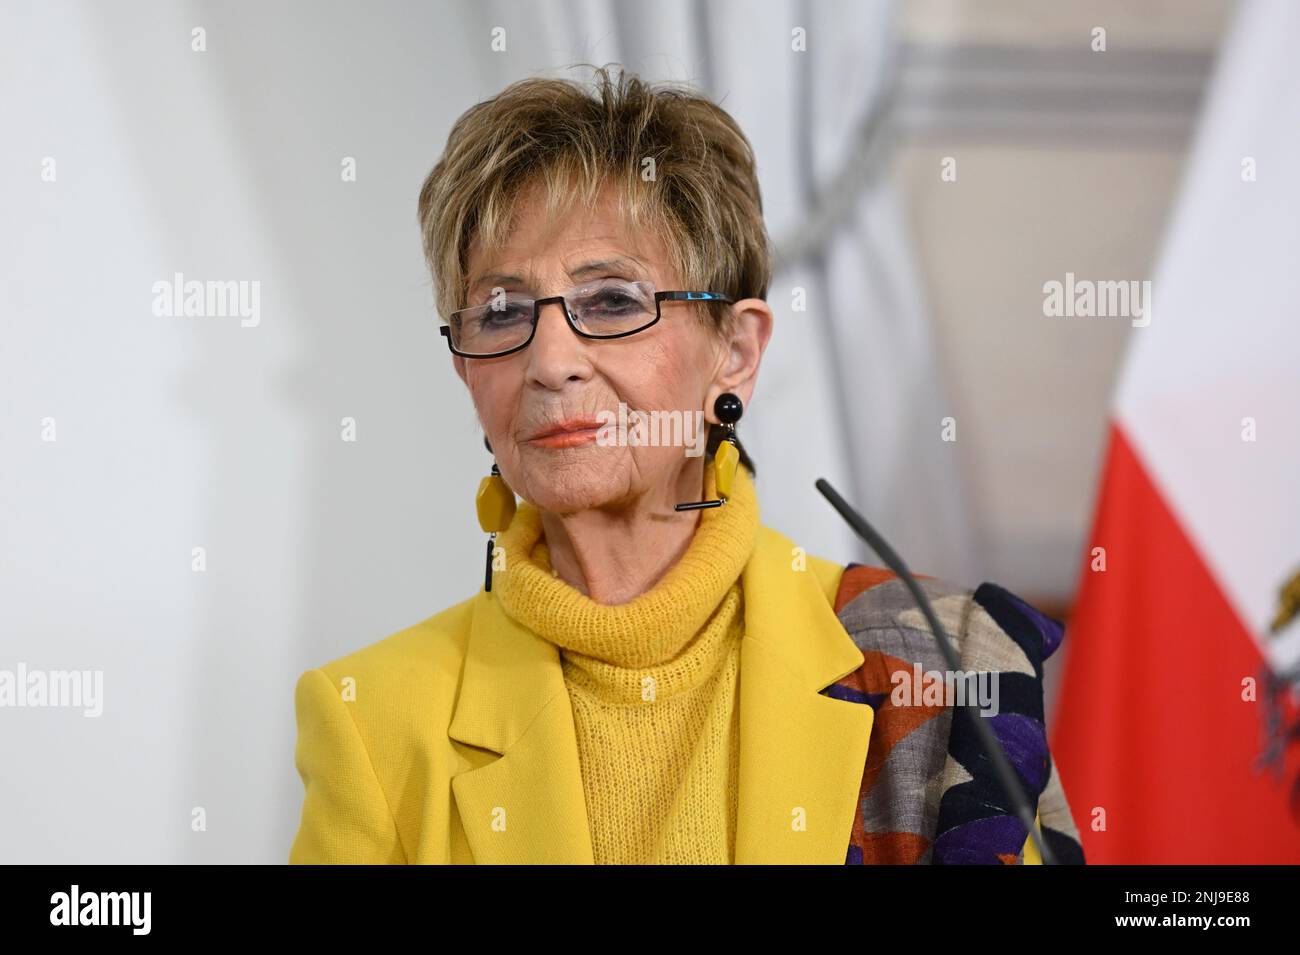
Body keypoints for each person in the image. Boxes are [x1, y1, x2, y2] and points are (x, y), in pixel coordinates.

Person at [288, 64, 1084, 865]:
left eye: (612, 300)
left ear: (735, 351)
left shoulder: (945, 661)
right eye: (502, 312)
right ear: (467, 370)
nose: (550, 360)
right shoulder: (372, 720)